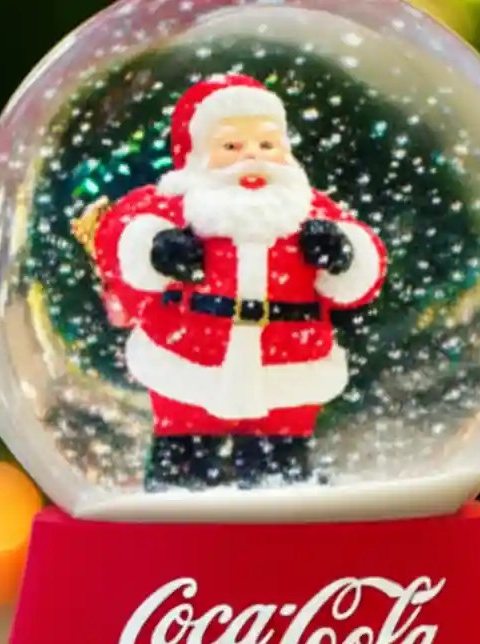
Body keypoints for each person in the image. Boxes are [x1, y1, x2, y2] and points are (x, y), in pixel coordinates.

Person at [92, 73, 387, 490]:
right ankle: (181, 482)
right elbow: (120, 234)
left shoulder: (307, 208)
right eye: (231, 146)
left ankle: (278, 484)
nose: (253, 156)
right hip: (188, 358)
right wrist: (156, 248)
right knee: (185, 445)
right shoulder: (176, 206)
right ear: (195, 153)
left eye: (268, 144)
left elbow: (365, 263)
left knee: (279, 457)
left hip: (288, 361)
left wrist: (343, 253)